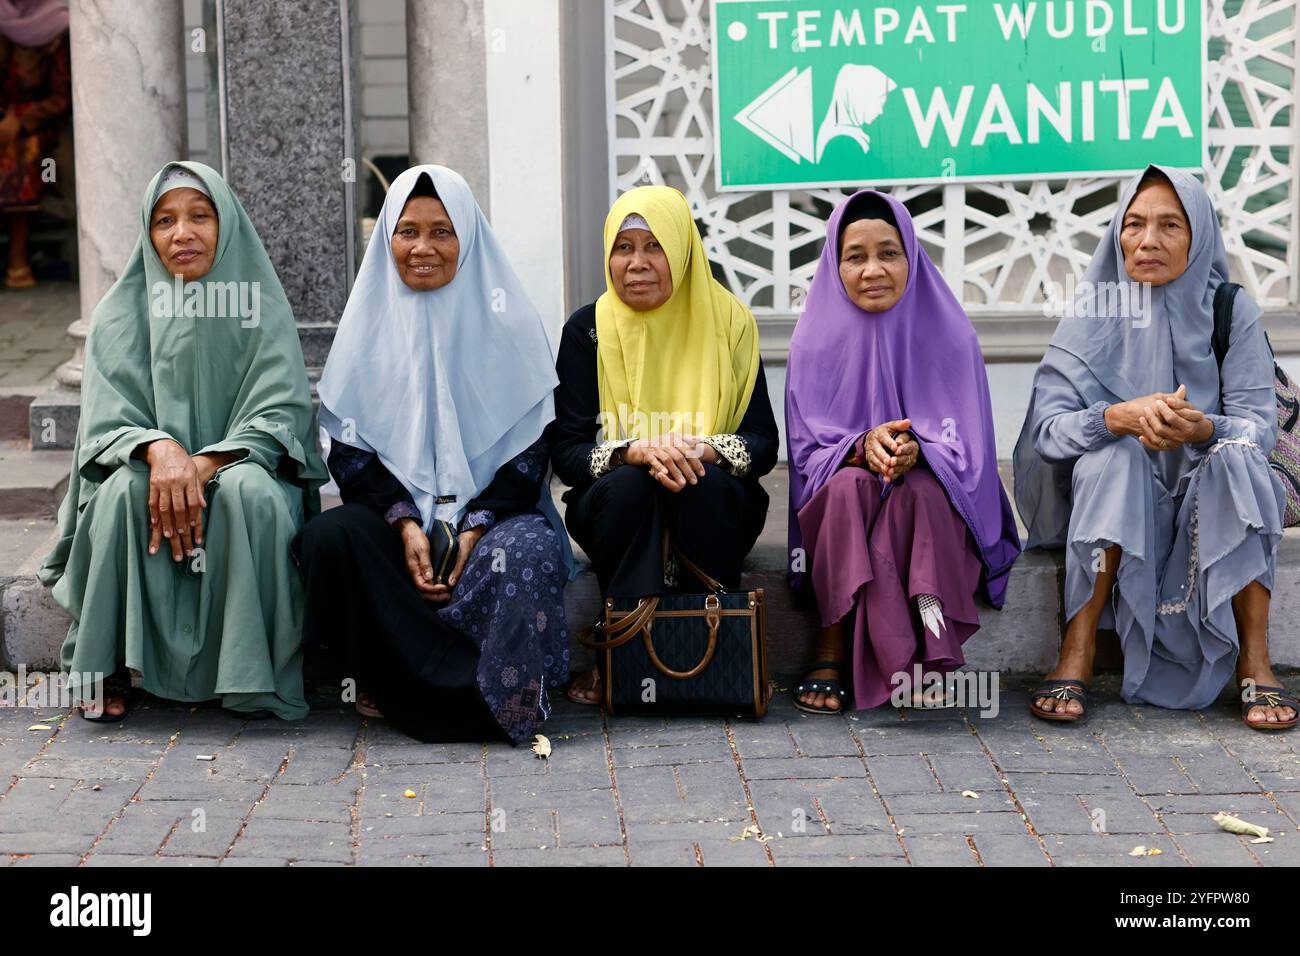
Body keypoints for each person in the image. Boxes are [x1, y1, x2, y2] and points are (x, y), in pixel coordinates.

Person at [294, 165, 575, 745]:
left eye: (442, 231)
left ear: (468, 238)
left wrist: (470, 530)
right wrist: (403, 523)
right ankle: (390, 680)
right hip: (401, 531)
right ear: (387, 240)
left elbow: (529, 456)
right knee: (331, 539)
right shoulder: (367, 323)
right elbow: (349, 455)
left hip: (492, 523)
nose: (423, 248)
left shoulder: (511, 320)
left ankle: (498, 697)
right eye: (408, 231)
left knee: (526, 549)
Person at [39, 161, 326, 721]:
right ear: (148, 234)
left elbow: (282, 416)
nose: (182, 233)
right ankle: (110, 666)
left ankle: (249, 674)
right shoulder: (119, 315)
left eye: (200, 216)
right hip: (151, 469)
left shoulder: (260, 307)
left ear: (227, 227)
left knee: (251, 493)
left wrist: (209, 461)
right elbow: (105, 426)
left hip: (240, 468)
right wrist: (160, 450)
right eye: (164, 220)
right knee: (123, 490)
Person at [1014, 164, 1291, 729]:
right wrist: (1113, 418)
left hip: (1203, 502)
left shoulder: (1229, 308)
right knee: (1116, 456)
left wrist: (1201, 429)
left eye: (1170, 226)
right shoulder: (1094, 309)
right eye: (1134, 224)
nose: (1148, 240)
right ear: (1117, 234)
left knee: (1237, 458)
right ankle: (1079, 647)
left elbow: (1261, 429)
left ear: (1199, 237)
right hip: (1112, 505)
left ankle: (1254, 660)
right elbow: (1046, 432)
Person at [786, 190, 1021, 713]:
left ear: (911, 255)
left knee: (919, 494)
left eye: (889, 253)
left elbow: (972, 451)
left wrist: (920, 451)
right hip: (848, 484)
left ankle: (929, 646)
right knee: (848, 489)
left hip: (927, 491)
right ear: (834, 262)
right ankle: (831, 639)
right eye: (856, 256)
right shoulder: (813, 340)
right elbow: (806, 453)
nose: (874, 270)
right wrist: (860, 446)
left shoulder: (950, 332)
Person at [551, 184, 779, 705]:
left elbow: (763, 443)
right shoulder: (586, 330)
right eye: (624, 247)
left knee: (700, 483)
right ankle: (619, 656)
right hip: (618, 508)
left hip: (712, 500)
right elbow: (566, 453)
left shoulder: (729, 322)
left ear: (682, 251)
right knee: (631, 486)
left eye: (654, 246)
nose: (637, 263)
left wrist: (699, 450)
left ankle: (725, 649)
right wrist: (632, 451)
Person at [0, 0, 70, 288]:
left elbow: (63, 96)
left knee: (21, 159)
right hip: (2, 120)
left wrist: (21, 119)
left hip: (43, 127)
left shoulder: (58, 26)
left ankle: (18, 260)